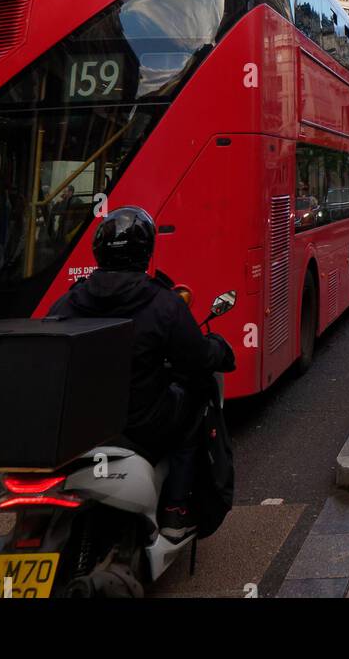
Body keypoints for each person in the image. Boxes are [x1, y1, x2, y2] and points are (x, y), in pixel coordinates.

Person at [47, 206, 235, 542]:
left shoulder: (68, 302)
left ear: (97, 251)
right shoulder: (162, 304)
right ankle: (176, 509)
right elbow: (197, 357)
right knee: (194, 402)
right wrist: (220, 350)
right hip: (141, 421)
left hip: (79, 424)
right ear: (146, 252)